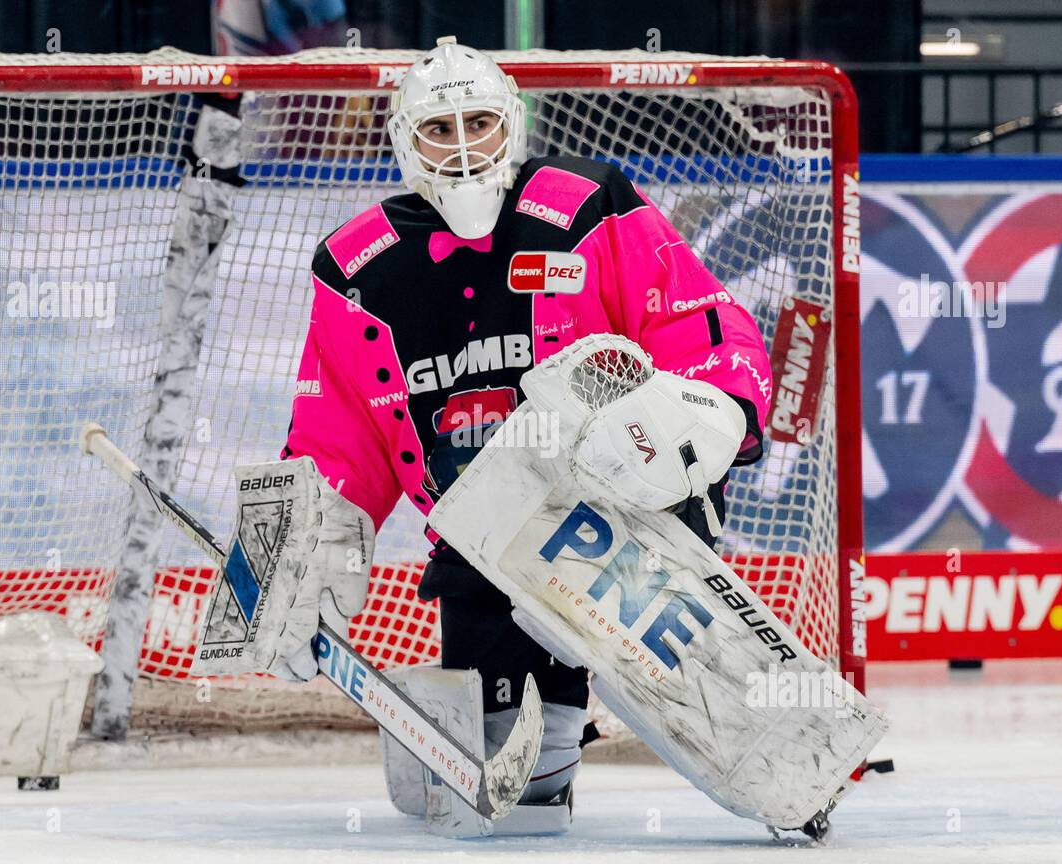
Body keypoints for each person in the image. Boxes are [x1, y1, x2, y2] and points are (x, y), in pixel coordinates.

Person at [281, 37, 773, 811]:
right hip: (487, 546)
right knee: (524, 793)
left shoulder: (588, 203)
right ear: (404, 143)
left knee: (739, 738)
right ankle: (551, 735)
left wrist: (718, 410)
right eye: (439, 130)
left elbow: (698, 322)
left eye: (479, 122)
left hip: (628, 525)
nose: (464, 147)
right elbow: (333, 438)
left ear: (512, 122)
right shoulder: (356, 269)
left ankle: (761, 737)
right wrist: (299, 543)